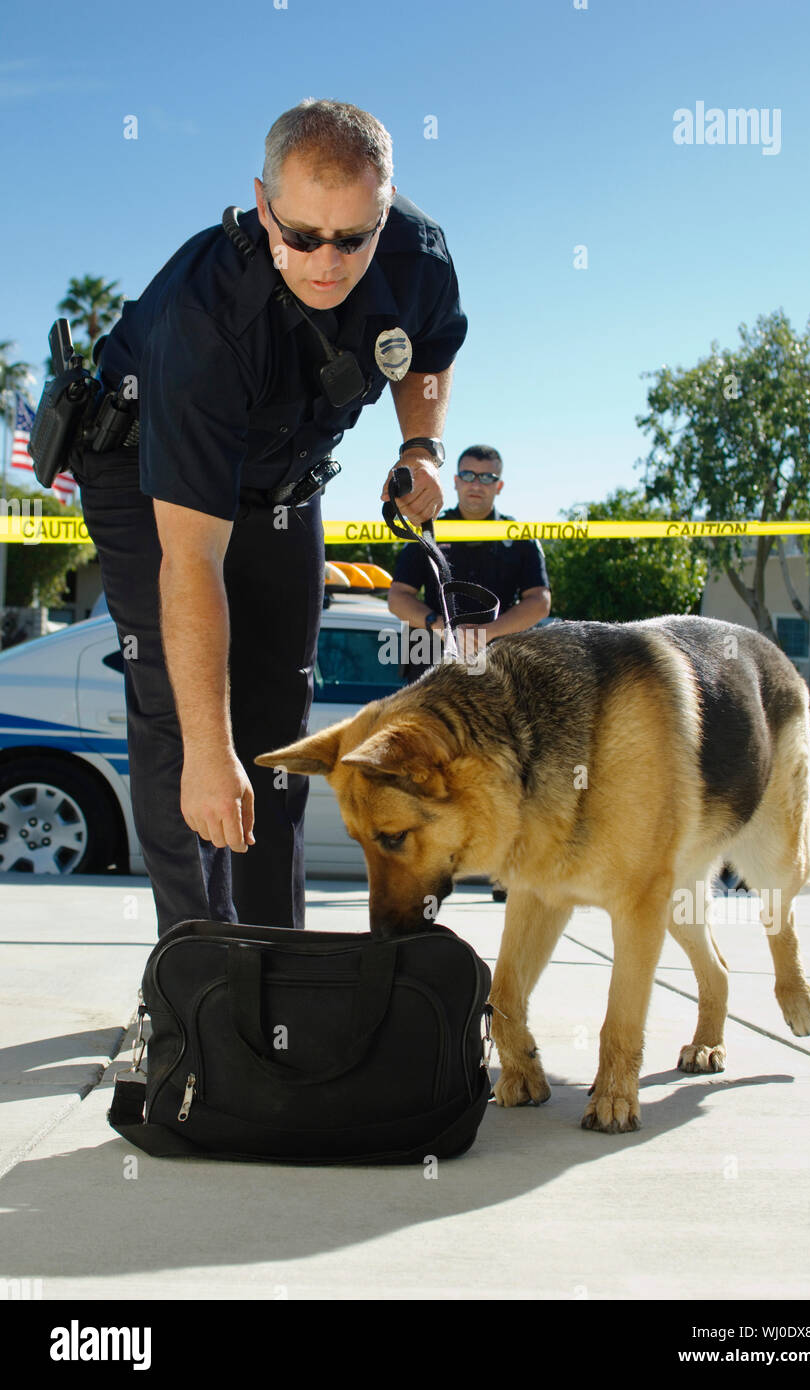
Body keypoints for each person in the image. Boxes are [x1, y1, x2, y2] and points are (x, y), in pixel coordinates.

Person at [70, 99, 467, 935]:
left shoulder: (419, 257)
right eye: (302, 235)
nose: (326, 262)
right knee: (189, 731)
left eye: (352, 239)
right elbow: (192, 565)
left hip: (284, 472)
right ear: (261, 204)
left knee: (277, 728)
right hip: (149, 467)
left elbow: (428, 351)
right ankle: (198, 979)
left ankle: (274, 960)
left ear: (384, 212)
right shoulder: (205, 315)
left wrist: (422, 445)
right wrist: (212, 758)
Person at [387, 444, 551, 678]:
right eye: (467, 475)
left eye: (487, 477)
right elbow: (398, 597)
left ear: (499, 486)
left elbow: (540, 602)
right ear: (455, 481)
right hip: (434, 666)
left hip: (501, 671)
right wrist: (441, 627)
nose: (476, 484)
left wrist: (489, 632)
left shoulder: (518, 536)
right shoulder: (428, 532)